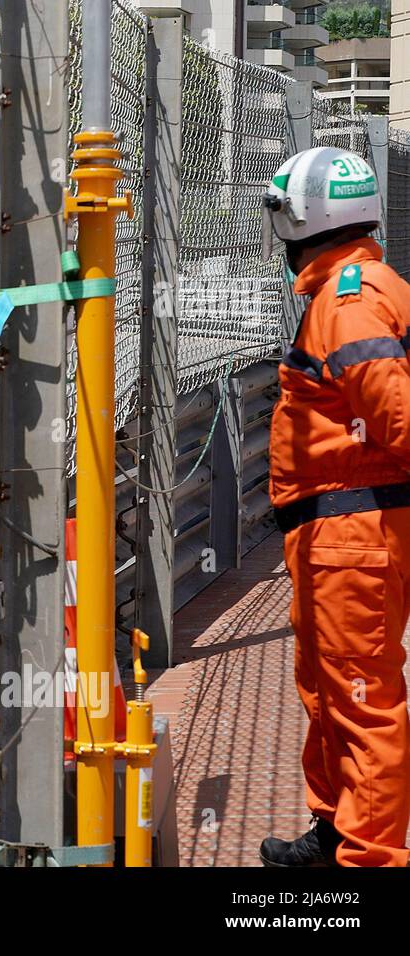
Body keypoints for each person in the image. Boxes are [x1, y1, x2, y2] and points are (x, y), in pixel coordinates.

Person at [258, 146, 410, 868]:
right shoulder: (346, 292)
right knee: (329, 694)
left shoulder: (348, 302)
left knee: (359, 699)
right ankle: (338, 832)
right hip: (335, 533)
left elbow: (401, 423)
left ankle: (370, 861)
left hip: (354, 533)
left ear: (303, 218)